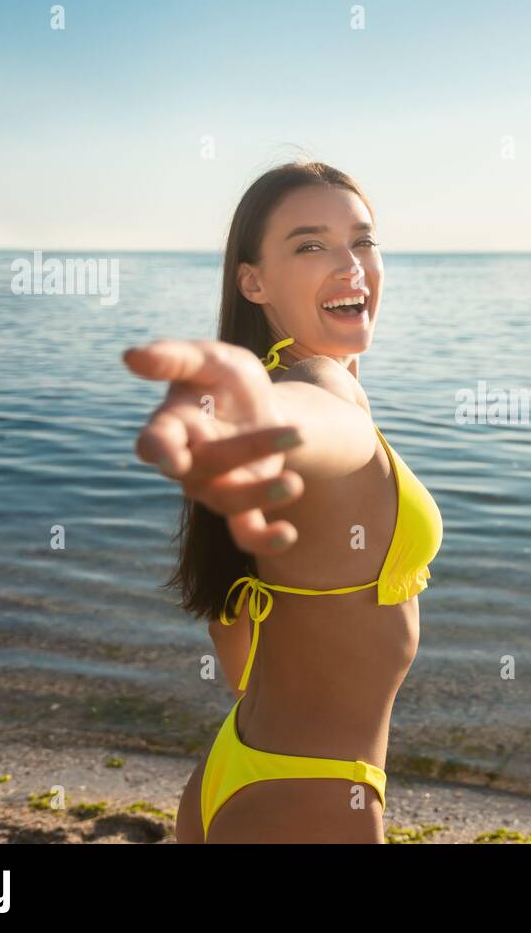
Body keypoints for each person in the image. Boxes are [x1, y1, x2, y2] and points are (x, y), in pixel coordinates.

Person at [122, 160, 442, 842]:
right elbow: (323, 422)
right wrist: (254, 416)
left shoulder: (284, 388)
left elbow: (234, 641)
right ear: (253, 281)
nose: (349, 265)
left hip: (236, 768)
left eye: (363, 240)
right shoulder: (319, 383)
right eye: (310, 245)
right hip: (314, 800)